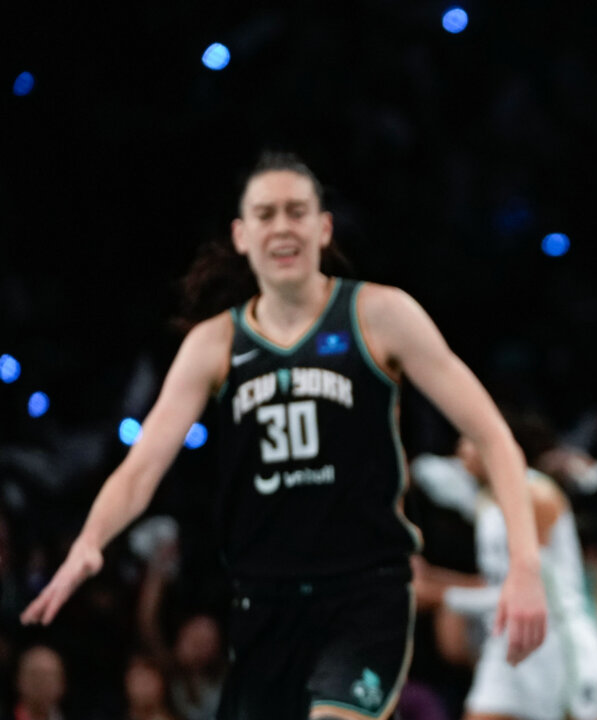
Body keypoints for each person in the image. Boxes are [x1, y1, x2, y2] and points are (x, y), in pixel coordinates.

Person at [20, 151, 547, 720]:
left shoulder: (380, 315)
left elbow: (494, 437)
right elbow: (141, 468)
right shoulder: (214, 342)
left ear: (323, 228)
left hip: (364, 596)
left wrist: (524, 566)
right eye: (266, 214)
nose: (282, 226)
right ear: (242, 236)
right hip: (264, 605)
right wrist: (89, 542)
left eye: (297, 211)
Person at [412, 434, 597, 720]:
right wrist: (430, 577)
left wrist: (440, 596)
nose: (459, 452)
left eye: (467, 440)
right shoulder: (485, 499)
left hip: (555, 641)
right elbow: (495, 583)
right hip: (507, 643)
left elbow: (529, 592)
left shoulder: (536, 495)